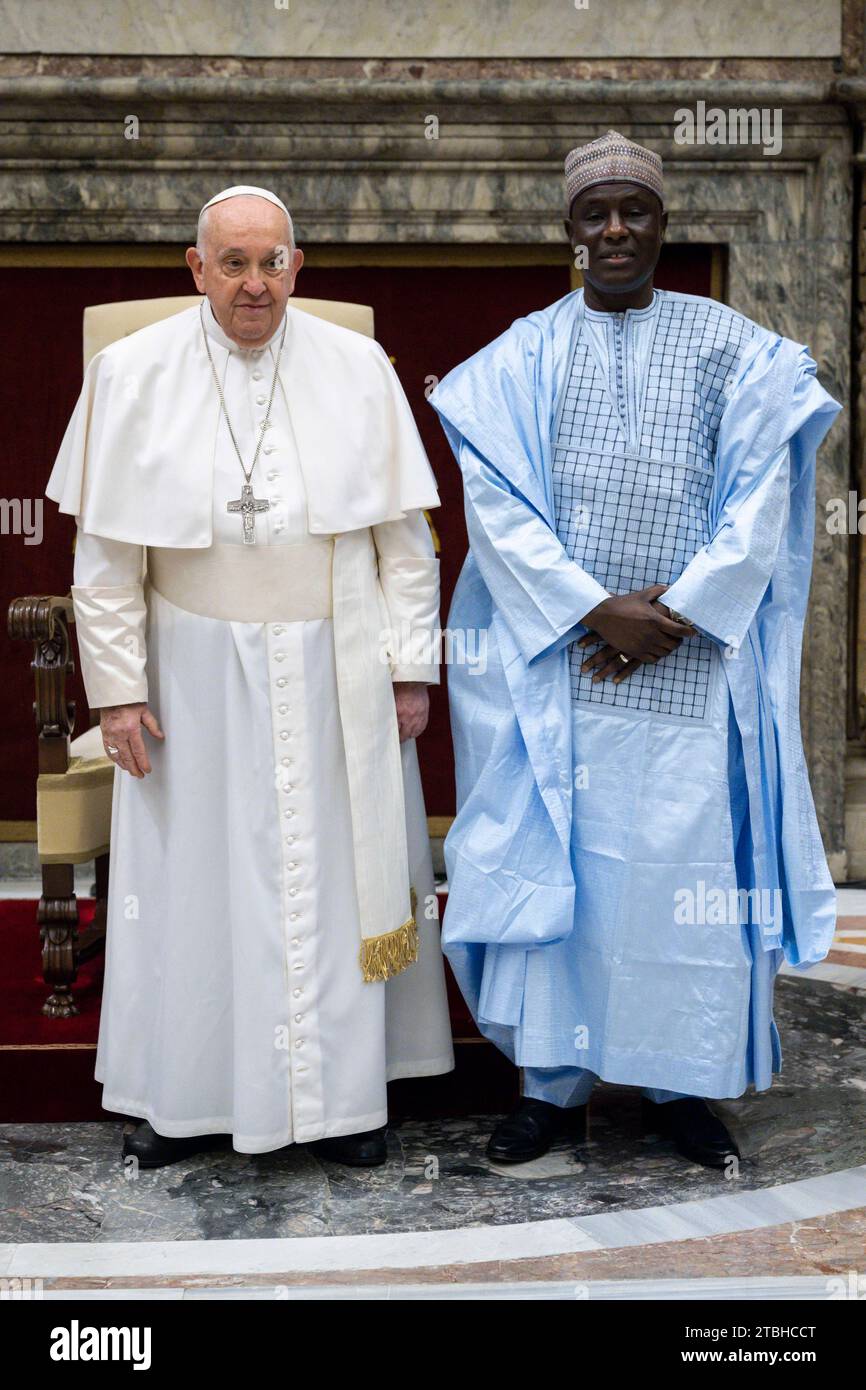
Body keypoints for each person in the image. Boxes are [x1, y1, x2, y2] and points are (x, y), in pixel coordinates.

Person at [430, 132, 841, 1169]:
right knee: (562, 866)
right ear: (568, 230)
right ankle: (549, 1091)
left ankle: (678, 1083)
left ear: (664, 222)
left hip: (693, 673)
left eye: (635, 212)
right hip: (565, 667)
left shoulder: (730, 347)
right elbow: (499, 511)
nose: (614, 230)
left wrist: (684, 610)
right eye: (593, 214)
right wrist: (590, 608)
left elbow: (762, 498)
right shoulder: (519, 357)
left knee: (679, 875)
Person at [45, 185, 454, 1169]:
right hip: (191, 675)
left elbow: (406, 544)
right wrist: (118, 690)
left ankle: (345, 1105)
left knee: (334, 883)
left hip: (333, 669)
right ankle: (182, 1100)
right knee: (190, 892)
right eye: (232, 263)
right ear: (197, 269)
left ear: (296, 268)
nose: (254, 283)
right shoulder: (129, 373)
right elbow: (103, 561)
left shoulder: (357, 368)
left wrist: (409, 669)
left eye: (272, 262)